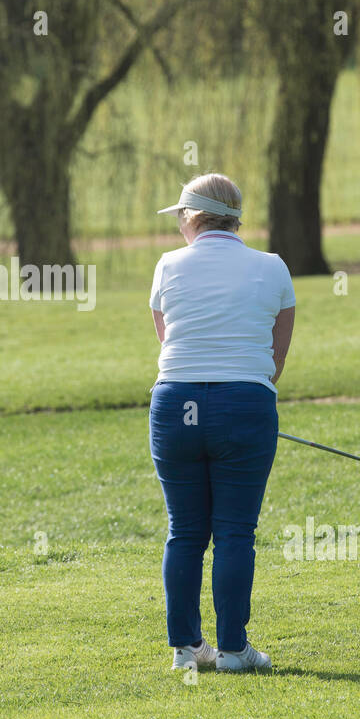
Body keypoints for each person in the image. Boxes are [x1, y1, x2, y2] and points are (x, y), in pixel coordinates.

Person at [148, 173, 296, 673]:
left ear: (192, 217)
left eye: (180, 219)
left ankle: (187, 651)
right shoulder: (273, 267)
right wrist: (235, 398)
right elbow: (274, 362)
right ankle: (234, 651)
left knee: (185, 530)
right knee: (235, 531)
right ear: (235, 219)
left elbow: (167, 341)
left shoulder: (168, 266)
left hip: (175, 405)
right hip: (245, 404)